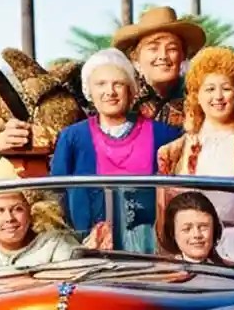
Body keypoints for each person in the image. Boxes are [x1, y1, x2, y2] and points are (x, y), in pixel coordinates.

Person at [0, 6, 204, 152]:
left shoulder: (200, 97)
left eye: (172, 48)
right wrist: (0, 140)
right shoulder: (106, 89)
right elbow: (58, 129)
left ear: (183, 55)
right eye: (153, 48)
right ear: (135, 56)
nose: (163, 56)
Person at [156, 46, 234, 273]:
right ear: (197, 95)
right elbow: (165, 215)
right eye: (209, 89)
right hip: (191, 250)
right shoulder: (175, 151)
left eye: (226, 88)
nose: (218, 97)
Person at [49, 48, 183, 253]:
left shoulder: (163, 135)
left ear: (131, 90)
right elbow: (55, 197)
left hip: (150, 249)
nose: (110, 92)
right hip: (87, 250)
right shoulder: (72, 137)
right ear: (89, 91)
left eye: (118, 84)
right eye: (100, 84)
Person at [0, 191, 81, 274]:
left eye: (17, 209)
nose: (9, 218)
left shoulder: (54, 244)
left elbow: (73, 284)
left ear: (29, 214)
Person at [159, 191, 232, 266]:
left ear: (214, 229)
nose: (197, 235)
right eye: (187, 229)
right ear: (172, 233)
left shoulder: (232, 271)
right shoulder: (161, 271)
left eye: (203, 227)